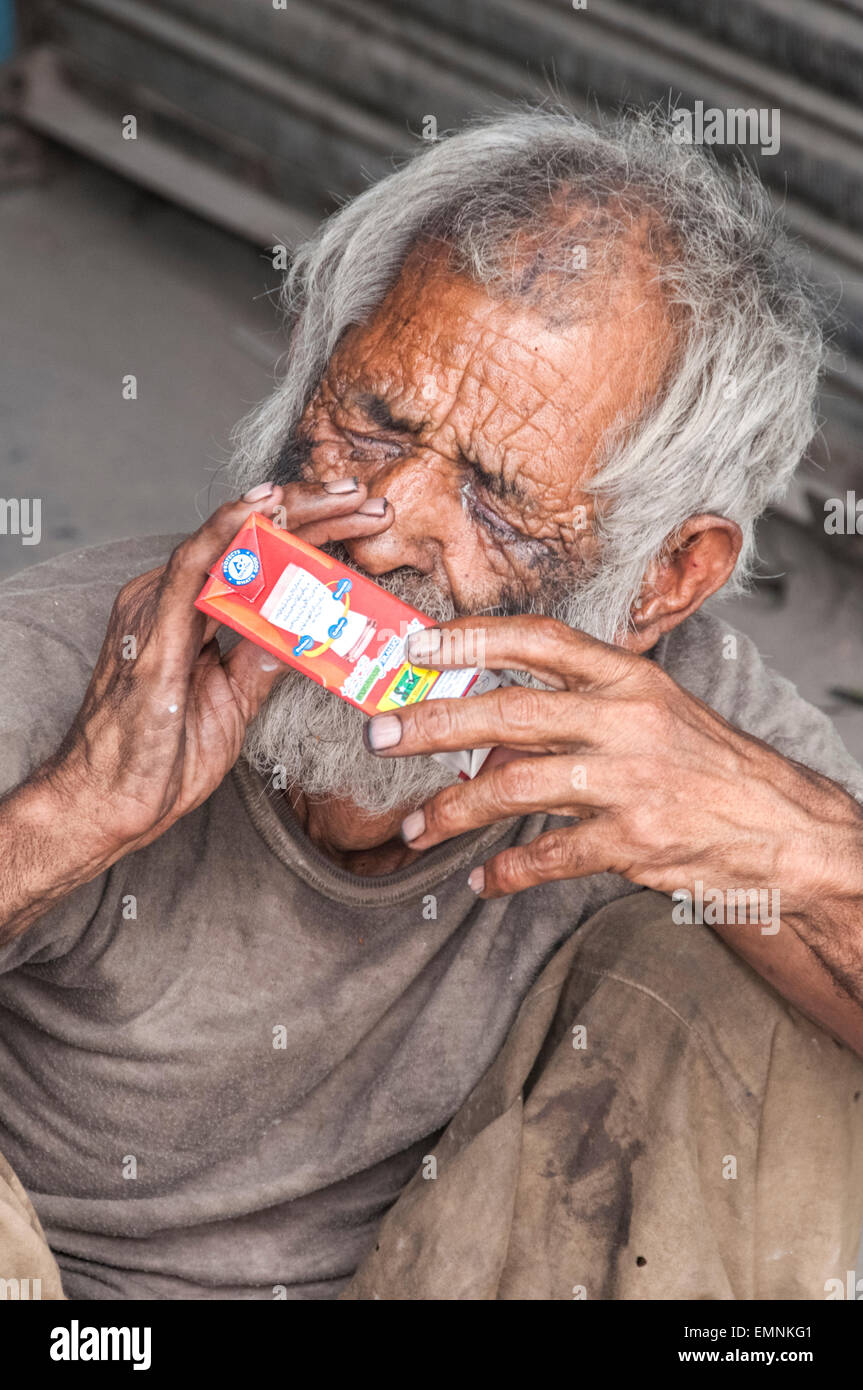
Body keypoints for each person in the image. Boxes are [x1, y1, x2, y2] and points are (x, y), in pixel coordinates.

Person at [1, 108, 862, 1301]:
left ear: (665, 578)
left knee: (780, 976)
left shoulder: (674, 745)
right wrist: (66, 819)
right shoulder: (62, 666)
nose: (394, 521)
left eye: (498, 503)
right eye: (368, 424)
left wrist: (797, 852)